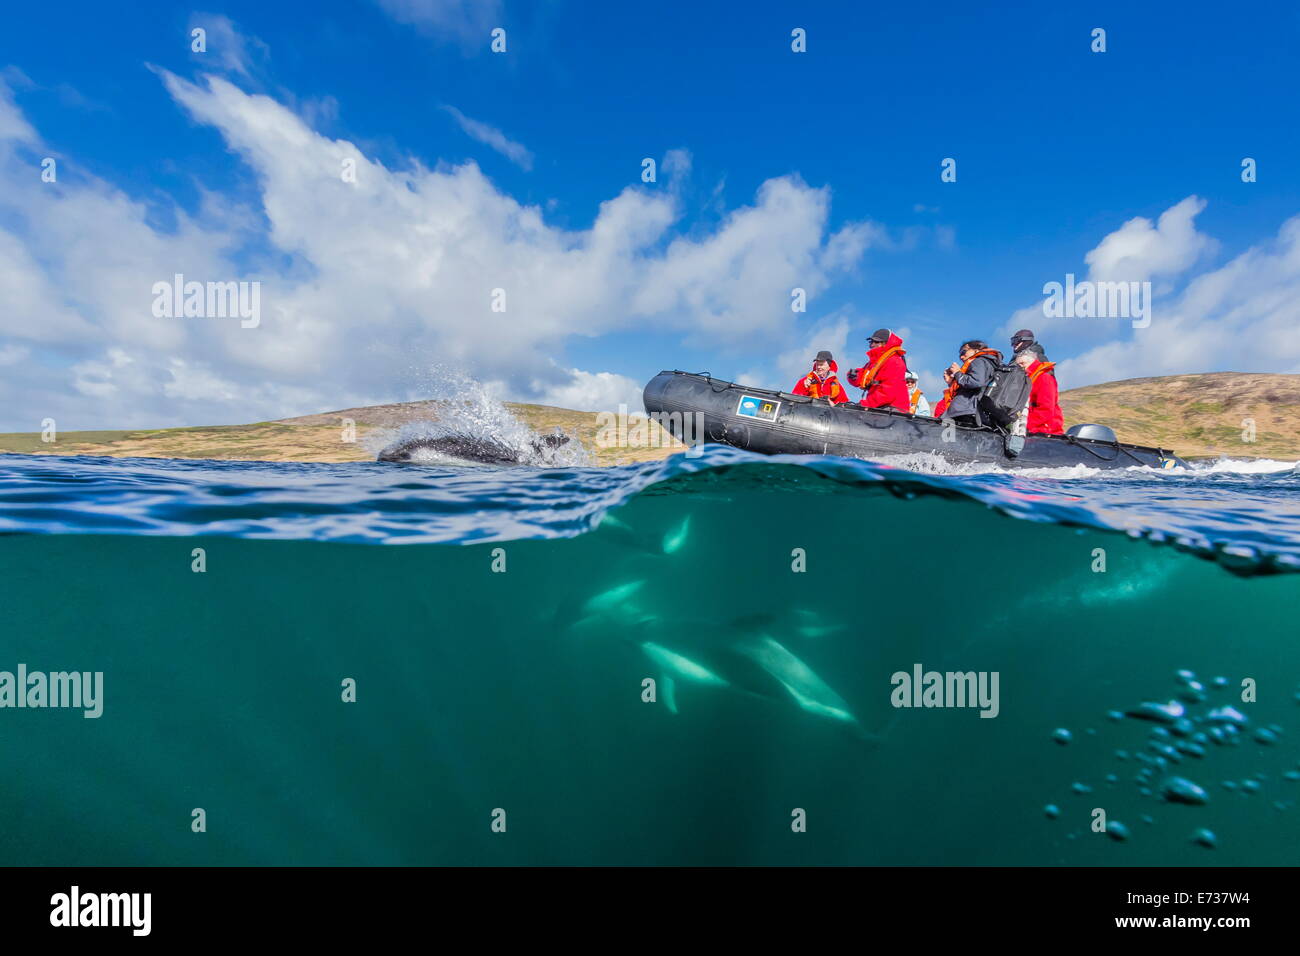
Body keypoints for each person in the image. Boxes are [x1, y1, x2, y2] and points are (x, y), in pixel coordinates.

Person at [935, 340, 1002, 427]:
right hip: (974, 411)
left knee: (947, 436)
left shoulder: (979, 361)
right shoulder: (990, 363)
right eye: (960, 354)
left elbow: (976, 382)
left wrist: (957, 373)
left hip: (966, 411)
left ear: (977, 350)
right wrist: (952, 382)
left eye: (964, 352)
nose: (961, 356)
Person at [846, 329, 910, 412]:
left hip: (893, 410)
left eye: (876, 342)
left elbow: (888, 392)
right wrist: (853, 376)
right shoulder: (874, 363)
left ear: (885, 343)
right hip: (878, 407)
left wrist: (866, 404)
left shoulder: (894, 362)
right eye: (871, 341)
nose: (872, 344)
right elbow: (864, 376)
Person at [1013, 346, 1064, 434]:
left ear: (1032, 361)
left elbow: (1046, 409)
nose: (1020, 367)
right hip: (1032, 430)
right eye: (1018, 365)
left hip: (1046, 432)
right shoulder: (1028, 379)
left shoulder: (1044, 378)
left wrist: (1024, 426)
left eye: (1022, 363)